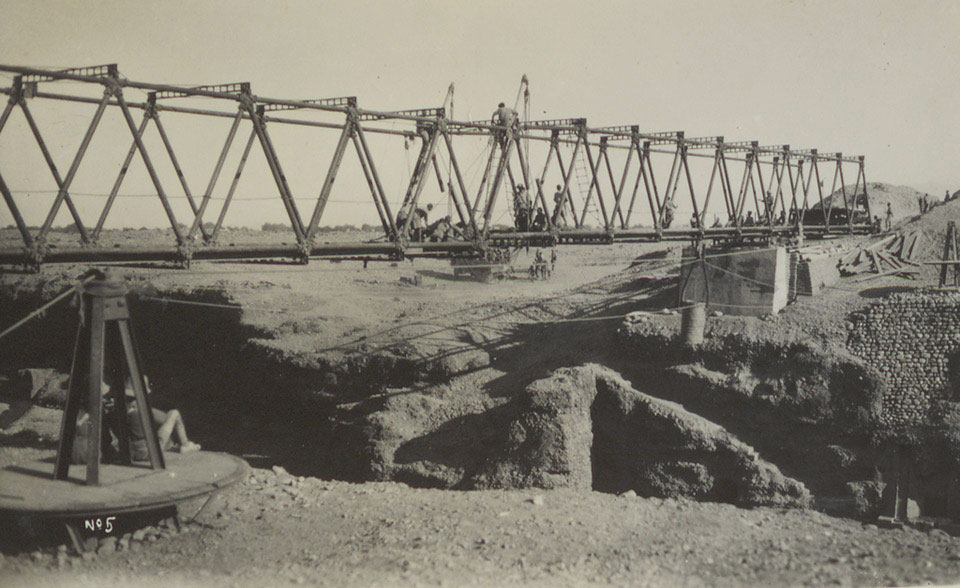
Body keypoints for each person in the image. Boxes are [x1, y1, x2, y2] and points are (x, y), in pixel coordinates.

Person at [125, 376, 200, 461]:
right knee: (174, 413)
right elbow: (165, 419)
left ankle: (175, 445)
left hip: (132, 453)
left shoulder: (121, 409)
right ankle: (185, 444)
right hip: (149, 453)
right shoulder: (142, 410)